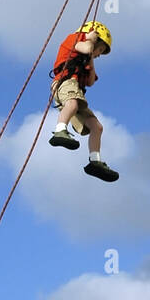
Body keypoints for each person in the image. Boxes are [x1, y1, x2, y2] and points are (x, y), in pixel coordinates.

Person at [49, 21, 118, 182]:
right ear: (95, 38)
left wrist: (91, 61)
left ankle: (95, 160)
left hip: (76, 90)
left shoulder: (86, 58)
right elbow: (86, 48)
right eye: (100, 50)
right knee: (72, 103)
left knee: (97, 126)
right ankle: (60, 130)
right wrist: (91, 41)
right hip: (64, 83)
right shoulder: (75, 39)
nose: (98, 54)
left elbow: (90, 81)